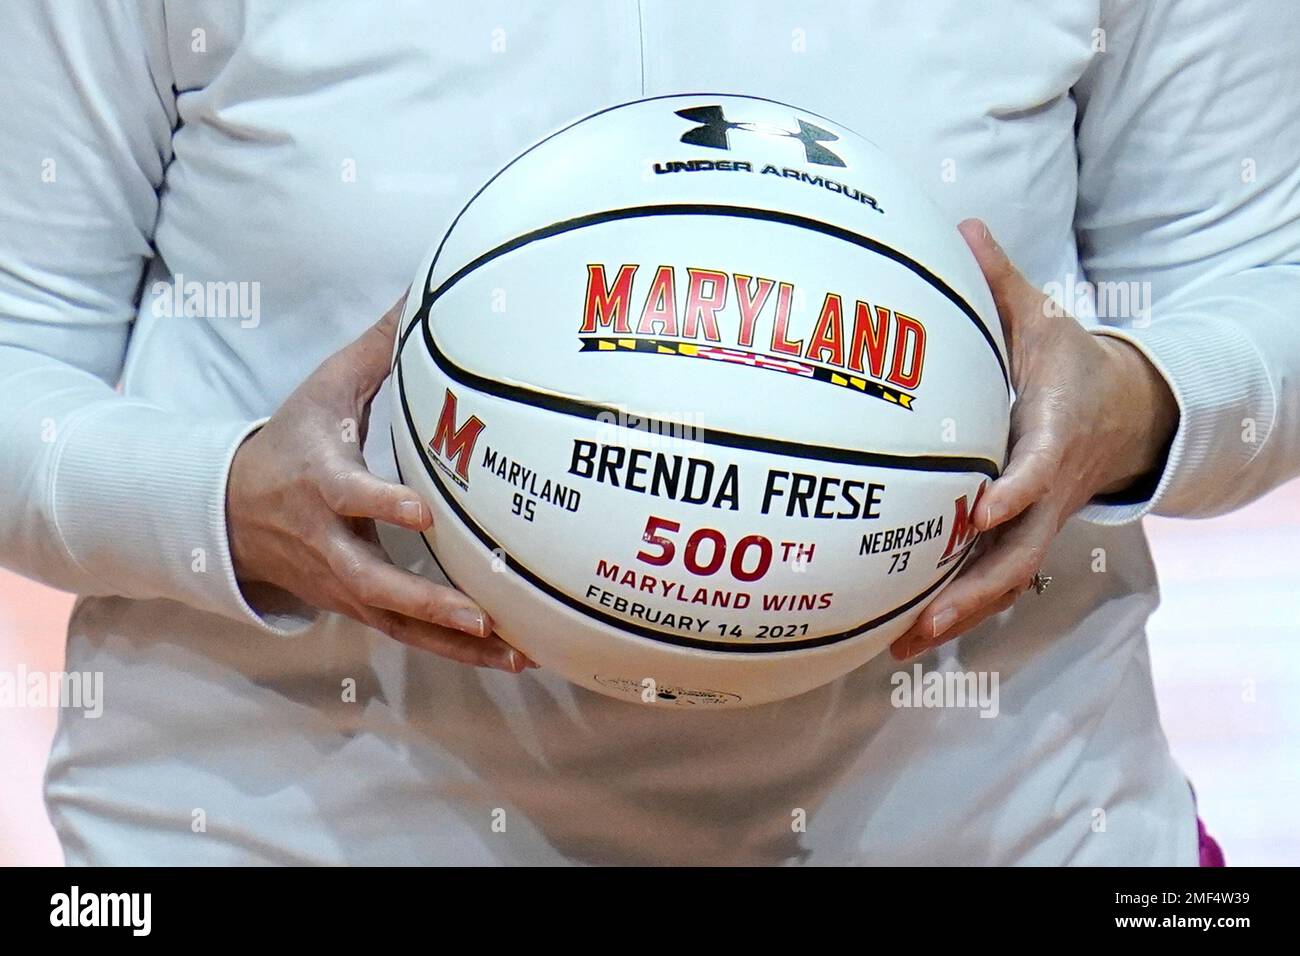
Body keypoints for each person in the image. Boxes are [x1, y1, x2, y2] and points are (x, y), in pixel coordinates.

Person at [1, 0, 1296, 865]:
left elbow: (1262, 277)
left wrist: (1135, 404)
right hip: (274, 833)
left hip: (1005, 826)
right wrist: (226, 504)